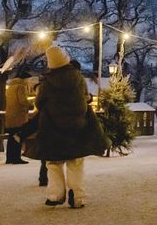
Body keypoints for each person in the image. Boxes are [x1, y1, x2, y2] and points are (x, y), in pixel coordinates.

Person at [34, 45, 109, 208]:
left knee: (54, 163)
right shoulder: (77, 77)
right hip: (77, 126)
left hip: (53, 128)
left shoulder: (47, 82)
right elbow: (85, 97)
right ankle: (77, 196)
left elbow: (39, 103)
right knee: (75, 162)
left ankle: (55, 195)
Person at [4, 70, 31, 164]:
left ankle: (9, 158)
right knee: (18, 136)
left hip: (10, 116)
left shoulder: (10, 87)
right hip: (19, 116)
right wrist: (30, 103)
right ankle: (16, 158)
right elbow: (23, 101)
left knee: (11, 137)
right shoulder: (21, 87)